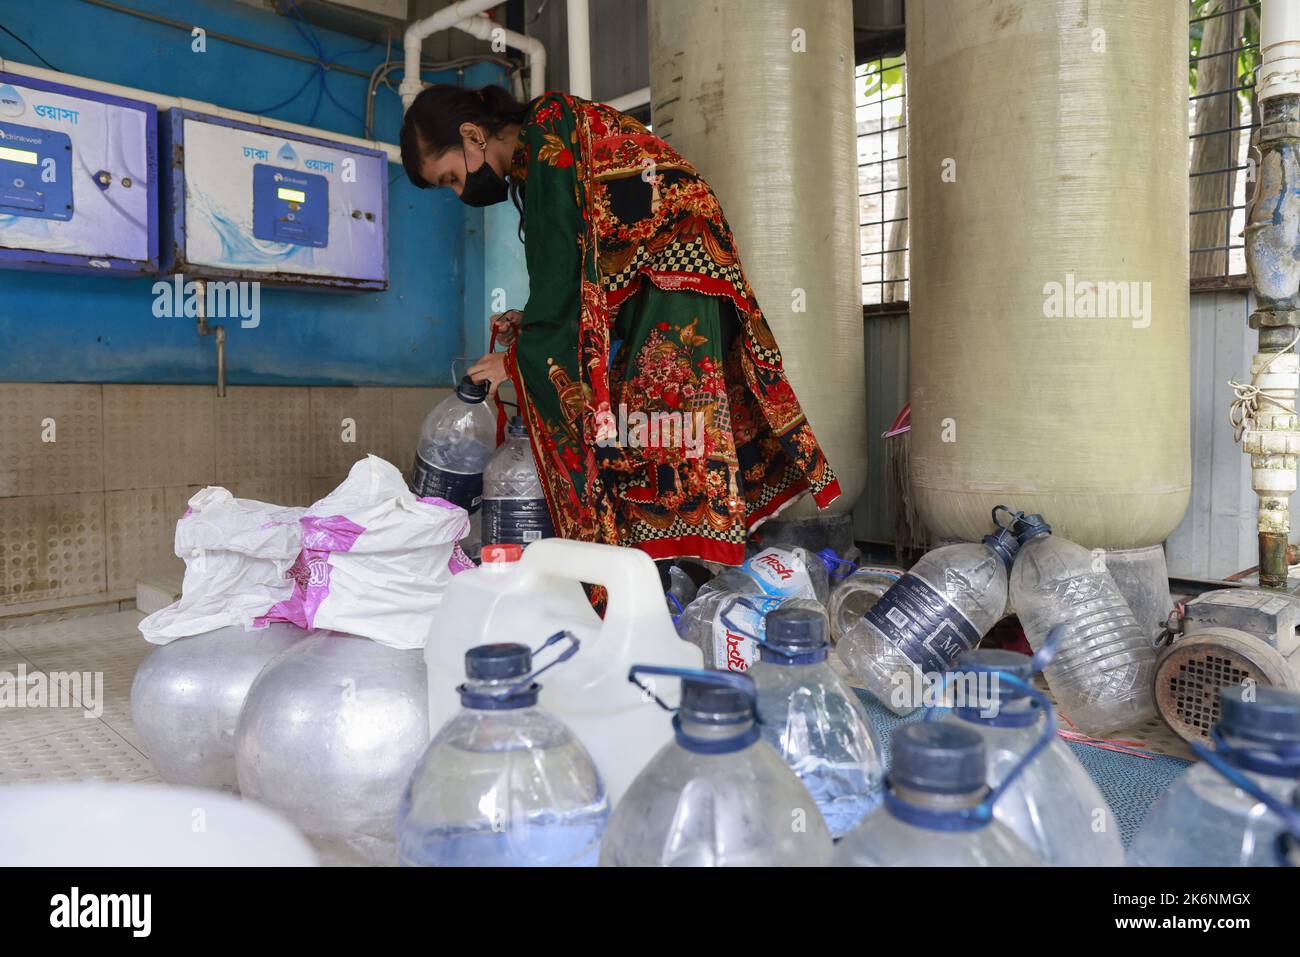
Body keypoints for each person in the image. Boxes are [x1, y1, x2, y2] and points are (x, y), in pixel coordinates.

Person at [400, 84, 840, 567]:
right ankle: (672, 569)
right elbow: (581, 275)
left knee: (662, 429)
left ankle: (677, 571)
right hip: (672, 275)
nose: (462, 192)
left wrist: (515, 361)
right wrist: (531, 328)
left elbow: (564, 281)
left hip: (676, 276)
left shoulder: (548, 138)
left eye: (451, 178)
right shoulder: (543, 147)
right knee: (652, 430)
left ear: (471, 134)